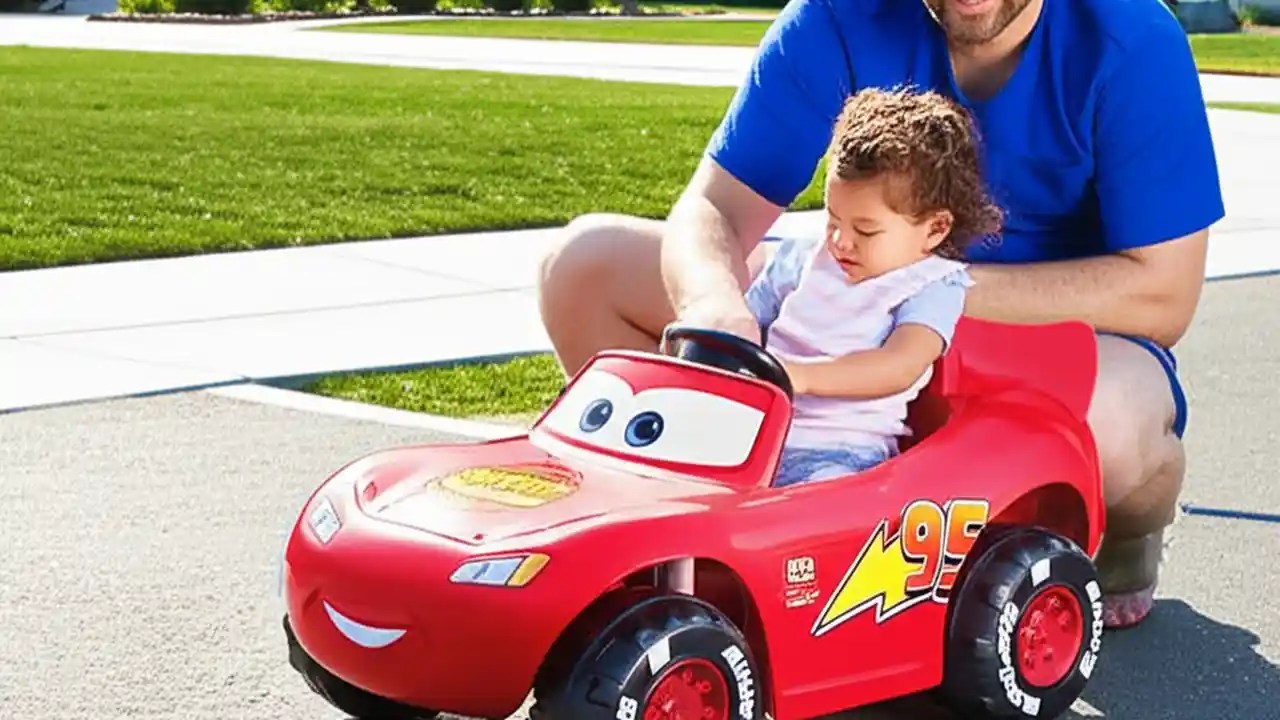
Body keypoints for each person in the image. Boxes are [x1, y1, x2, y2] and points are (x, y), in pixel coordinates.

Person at [536, 0, 1224, 630]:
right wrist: (714, 303)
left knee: (1110, 426)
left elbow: (1162, 294)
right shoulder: (836, 15)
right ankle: (701, 529)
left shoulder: (1132, 39)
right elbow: (715, 206)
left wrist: (926, 290)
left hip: (1026, 337)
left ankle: (1129, 528)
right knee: (582, 268)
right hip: (844, 305)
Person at [748, 87, 1002, 488]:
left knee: (820, 504)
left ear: (935, 228)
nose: (840, 242)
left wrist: (802, 376)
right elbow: (746, 317)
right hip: (749, 434)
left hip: (839, 453)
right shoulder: (805, 258)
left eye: (865, 230)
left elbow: (900, 366)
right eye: (833, 220)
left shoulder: (931, 285)